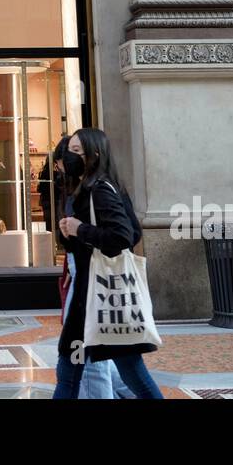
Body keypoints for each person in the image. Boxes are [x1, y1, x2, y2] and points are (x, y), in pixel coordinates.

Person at [53, 127, 163, 400]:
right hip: (93, 301)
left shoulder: (99, 189)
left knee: (125, 370)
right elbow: (133, 231)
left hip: (102, 298)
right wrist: (71, 234)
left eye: (76, 151)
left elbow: (123, 236)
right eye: (70, 150)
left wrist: (81, 230)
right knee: (73, 371)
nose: (69, 156)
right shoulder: (91, 187)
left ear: (94, 155)